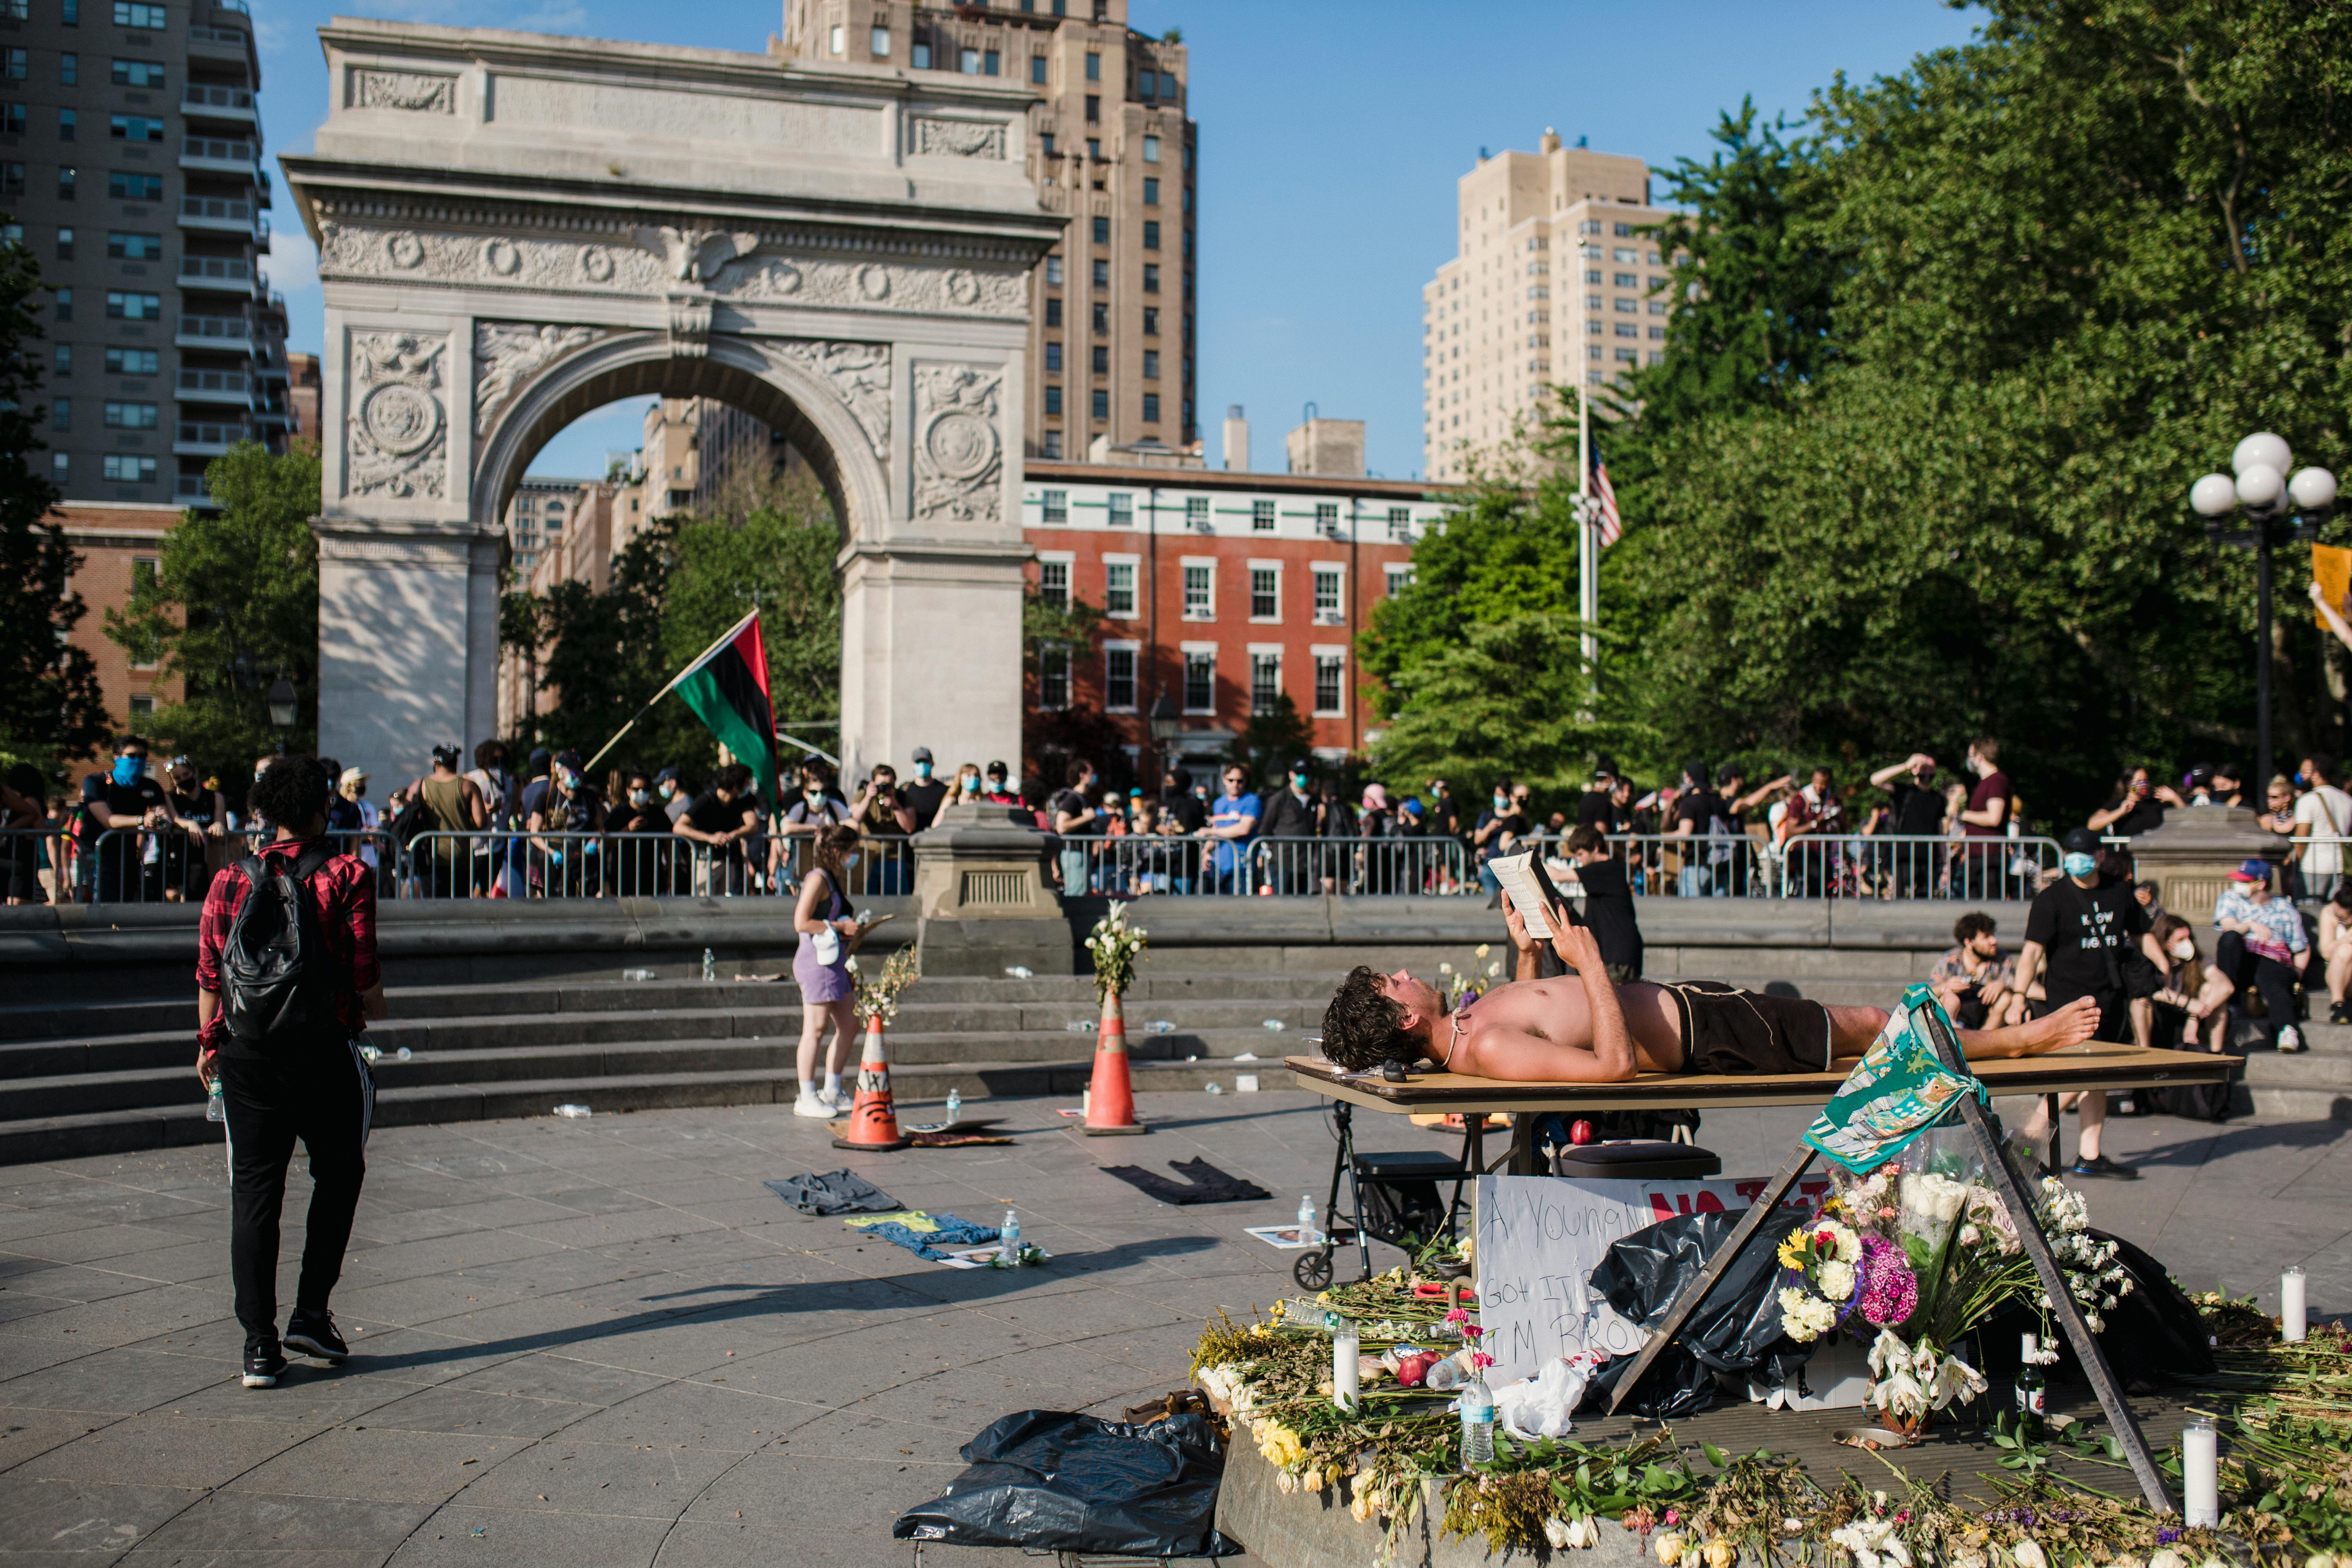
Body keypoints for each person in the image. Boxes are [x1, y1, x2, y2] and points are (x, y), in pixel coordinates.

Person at [1318, 899, 2100, 1081]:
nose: (1405, 974)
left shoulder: (1470, 1029)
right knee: (1868, 1025)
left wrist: (1528, 954)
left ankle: (1992, 1042)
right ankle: (2016, 1039)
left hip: (1701, 1010)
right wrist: (1591, 967)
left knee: (1865, 1036)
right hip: (1708, 1034)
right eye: (1394, 983)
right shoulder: (1481, 1045)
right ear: (1404, 1017)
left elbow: (1545, 1021)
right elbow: (1611, 1069)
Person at [194, 755, 386, 1389]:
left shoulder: (229, 879)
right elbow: (362, 971)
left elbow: (210, 972)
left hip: (248, 1054)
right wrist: (373, 1008)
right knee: (340, 1173)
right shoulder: (347, 874)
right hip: (322, 1049)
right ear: (322, 808)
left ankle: (258, 1345)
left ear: (266, 812)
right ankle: (311, 1312)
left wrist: (208, 1043)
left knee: (254, 1193)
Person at [2007, 826, 2147, 1178]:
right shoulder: (2051, 899)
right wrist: (2018, 997)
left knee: (2096, 1075)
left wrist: (2162, 970)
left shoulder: (2119, 892)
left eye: (2082, 854)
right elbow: (2031, 953)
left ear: (2100, 856)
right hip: (2068, 1001)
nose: (2075, 860)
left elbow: (2141, 934)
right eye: (2070, 854)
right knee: (2078, 1075)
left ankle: (2090, 1154)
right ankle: (2023, 1145)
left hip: (2109, 997)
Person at [788, 824, 869, 1117]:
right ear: (837, 851)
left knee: (849, 1025)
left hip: (834, 961)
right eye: (852, 851)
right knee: (816, 1028)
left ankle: (832, 1090)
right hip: (817, 961)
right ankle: (807, 1095)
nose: (854, 857)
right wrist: (841, 926)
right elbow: (801, 922)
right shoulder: (818, 879)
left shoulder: (831, 878)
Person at [2212, 858, 2308, 1052]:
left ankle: (2287, 1030)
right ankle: (2231, 1002)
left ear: (2261, 884)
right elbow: (2229, 928)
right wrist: (2250, 925)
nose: (2238, 885)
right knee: (2230, 939)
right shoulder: (2231, 899)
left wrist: (2297, 974)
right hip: (2240, 961)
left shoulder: (2285, 909)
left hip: (2273, 961)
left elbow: (2301, 948)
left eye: (2244, 881)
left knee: (2270, 976)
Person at [80, 737, 172, 902]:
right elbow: (109, 821)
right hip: (97, 852)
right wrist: (142, 820)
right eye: (131, 756)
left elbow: (162, 814)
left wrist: (160, 819)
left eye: (142, 756)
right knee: (103, 903)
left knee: (126, 902)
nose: (137, 761)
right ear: (116, 757)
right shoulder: (98, 782)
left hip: (129, 854)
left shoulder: (150, 786)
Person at [1563, 824, 1642, 982]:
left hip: (1617, 956)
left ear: (1596, 848)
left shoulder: (1606, 868)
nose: (1579, 860)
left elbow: (1559, 875)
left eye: (1581, 854)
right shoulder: (1607, 869)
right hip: (1613, 954)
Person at [410, 744, 487, 898]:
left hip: (430, 856)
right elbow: (481, 822)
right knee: (459, 906)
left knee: (434, 904)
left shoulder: (419, 786)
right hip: (461, 855)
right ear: (455, 763)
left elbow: (406, 815)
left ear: (435, 763)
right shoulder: (468, 786)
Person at [674, 764, 761, 895]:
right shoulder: (706, 800)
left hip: (729, 861)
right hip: (707, 861)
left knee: (724, 904)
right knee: (705, 902)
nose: (748, 787)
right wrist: (710, 838)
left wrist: (733, 835)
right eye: (746, 783)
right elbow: (679, 827)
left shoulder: (742, 801)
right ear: (735, 787)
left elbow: (753, 825)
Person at [1930, 912, 2023, 1031]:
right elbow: (1928, 991)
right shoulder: (1950, 960)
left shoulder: (2002, 959)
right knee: (1946, 997)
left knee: (2006, 998)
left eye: (1993, 935)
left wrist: (2003, 985)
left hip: (1987, 1016)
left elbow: (2018, 986)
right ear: (1969, 942)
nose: (1994, 941)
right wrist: (1946, 987)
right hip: (1958, 1015)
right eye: (1987, 937)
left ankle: (1983, 1039)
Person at [1667, 763, 1735, 898]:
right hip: (1721, 863)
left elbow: (1685, 833)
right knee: (1718, 909)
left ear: (1691, 779)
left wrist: (1662, 837)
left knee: (1693, 909)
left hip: (1697, 864)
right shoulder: (1719, 801)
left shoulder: (1690, 803)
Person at [2292, 753, 2352, 902]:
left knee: (2309, 909)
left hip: (2313, 867)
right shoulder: (2347, 800)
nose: (2301, 776)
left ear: (2316, 774)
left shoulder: (2307, 800)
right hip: (2342, 867)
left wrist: (2295, 866)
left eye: (2304, 772)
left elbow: (2301, 839)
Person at [852, 765, 918, 895]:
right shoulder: (863, 795)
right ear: (873, 783)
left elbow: (910, 827)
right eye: (881, 785)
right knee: (866, 899)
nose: (885, 788)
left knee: (896, 901)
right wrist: (868, 797)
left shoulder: (903, 798)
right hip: (867, 859)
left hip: (894, 860)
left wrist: (896, 806)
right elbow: (855, 818)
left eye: (889, 785)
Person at [606, 770, 670, 895]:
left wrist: (670, 876)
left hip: (653, 881)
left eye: (645, 789)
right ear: (628, 791)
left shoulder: (658, 813)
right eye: (636, 789)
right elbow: (606, 843)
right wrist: (628, 829)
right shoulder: (619, 813)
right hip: (623, 880)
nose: (641, 793)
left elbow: (669, 844)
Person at [1200, 764, 1261, 893]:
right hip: (1218, 866)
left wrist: (1210, 832)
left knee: (1240, 905)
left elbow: (1243, 829)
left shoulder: (1252, 801)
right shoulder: (1219, 803)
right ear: (1224, 779)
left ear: (1246, 781)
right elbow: (1217, 830)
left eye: (1240, 781)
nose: (1235, 784)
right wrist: (1206, 851)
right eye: (1231, 780)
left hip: (1241, 867)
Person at [1258, 761, 1317, 892]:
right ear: (1291, 775)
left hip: (1304, 861)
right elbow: (1266, 827)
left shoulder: (1313, 800)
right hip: (1283, 861)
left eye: (1306, 774)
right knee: (1282, 898)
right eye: (1299, 774)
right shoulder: (1279, 799)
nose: (1302, 777)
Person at [1048, 759, 1100, 895]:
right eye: (1092, 773)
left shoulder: (1082, 798)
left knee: (1083, 894)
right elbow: (1062, 827)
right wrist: (1086, 818)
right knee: (1077, 894)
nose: (1094, 776)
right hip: (1074, 853)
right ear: (1082, 776)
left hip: (1080, 853)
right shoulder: (1072, 799)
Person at [1, 763, 49, 904]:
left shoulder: (9, 798)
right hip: (23, 854)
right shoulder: (29, 800)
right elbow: (42, 830)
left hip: (9, 852)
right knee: (19, 904)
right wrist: (60, 824)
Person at [1472, 780, 1530, 894]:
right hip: (1492, 865)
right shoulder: (1488, 815)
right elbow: (1478, 840)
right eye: (1497, 795)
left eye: (1502, 795)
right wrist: (1489, 828)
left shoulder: (1517, 817)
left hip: (1510, 867)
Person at [2087, 766, 2173, 838]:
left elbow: (2181, 817)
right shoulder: (2118, 804)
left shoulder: (2156, 803)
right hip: (2126, 852)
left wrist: (2174, 798)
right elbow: (2092, 825)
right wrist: (2120, 812)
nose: (2144, 784)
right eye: (2139, 781)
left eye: (2146, 781)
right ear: (2128, 784)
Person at [2321, 880, 2352, 1025]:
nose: (2337, 918)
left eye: (2342, 918)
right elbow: (2326, 952)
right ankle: (2338, 1003)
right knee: (2346, 949)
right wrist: (2347, 938)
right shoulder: (2329, 913)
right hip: (2339, 974)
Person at [901, 746, 951, 829]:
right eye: (918, 762)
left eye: (925, 761)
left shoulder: (944, 790)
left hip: (936, 835)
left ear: (932, 764)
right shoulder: (905, 790)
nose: (922, 765)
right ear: (912, 765)